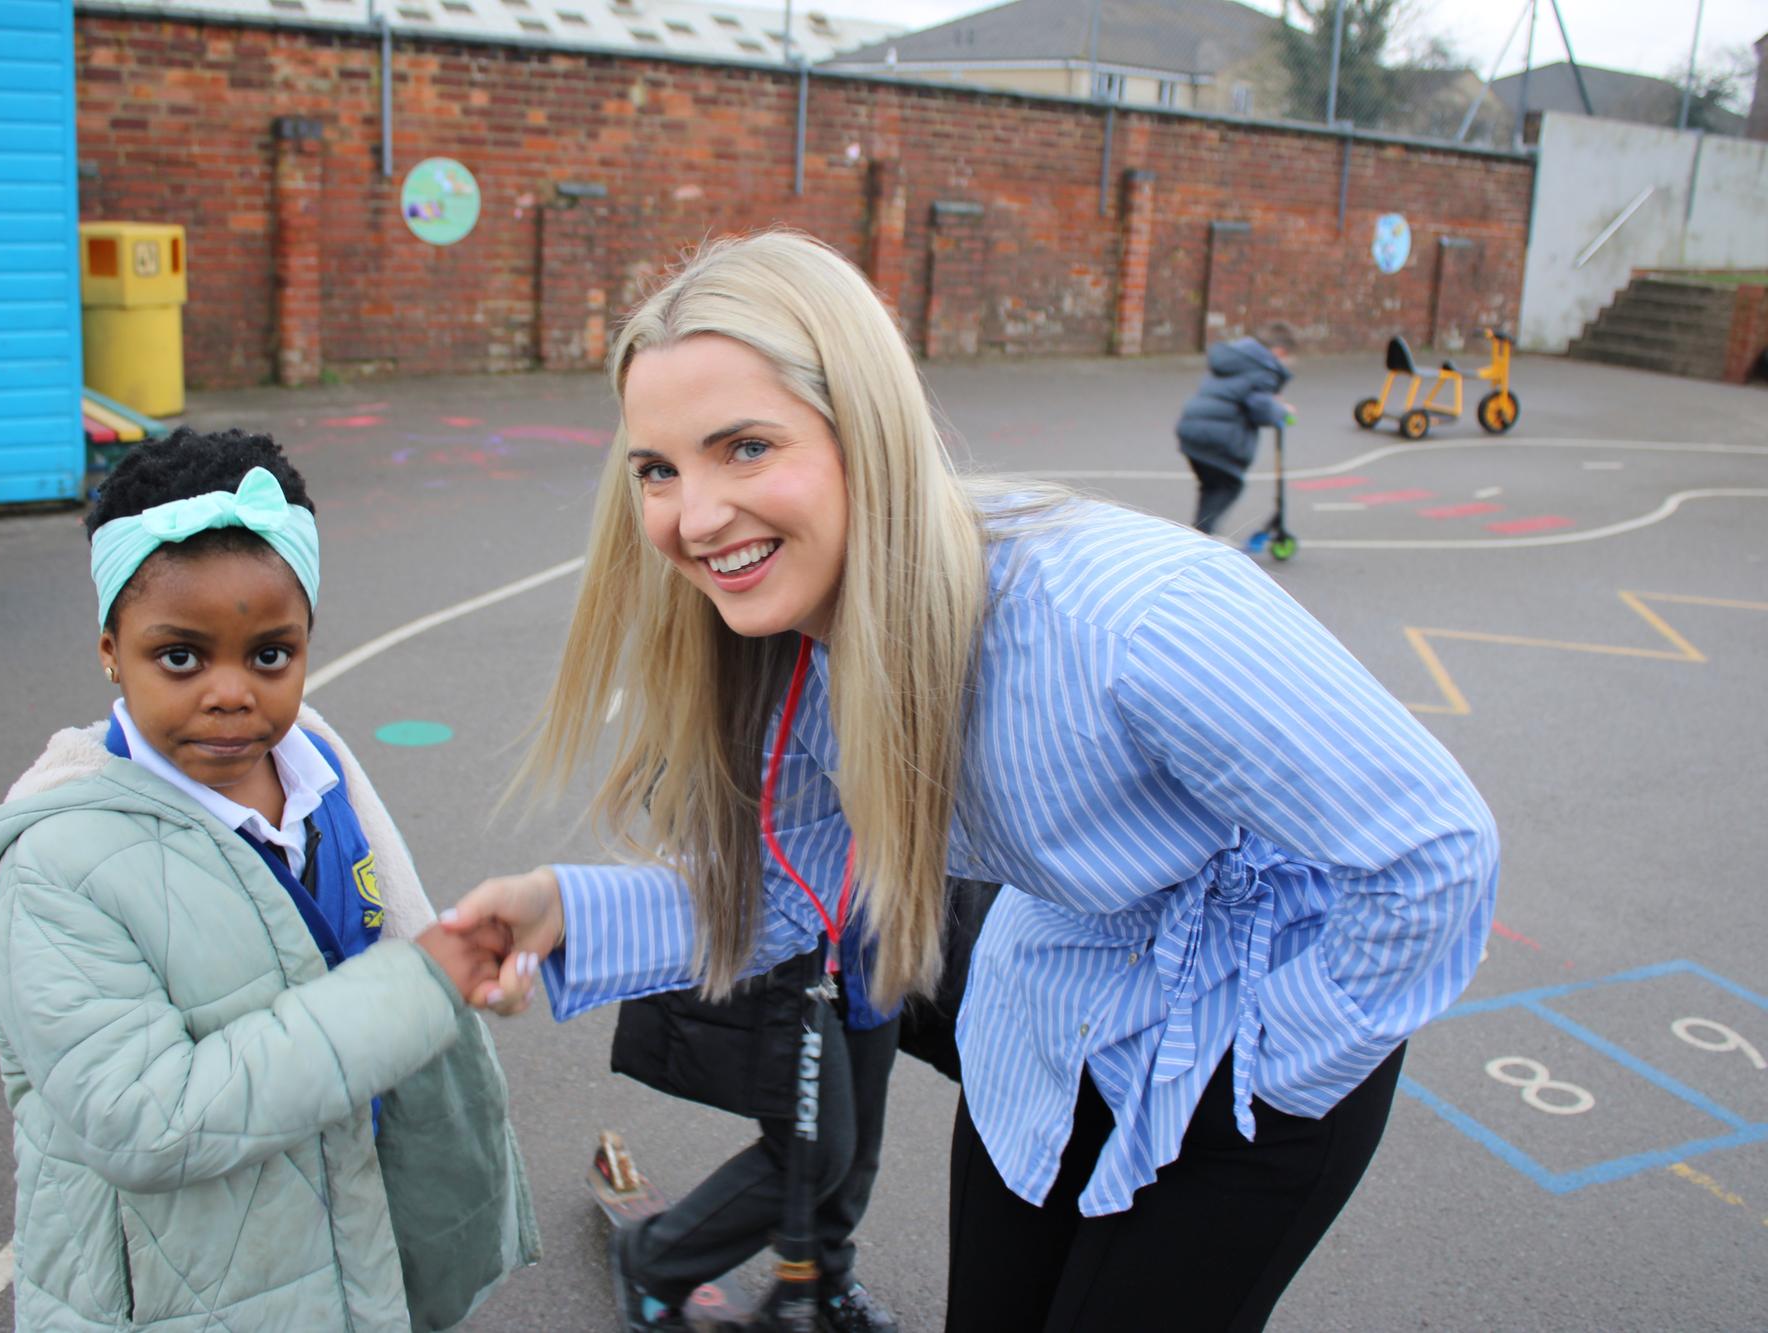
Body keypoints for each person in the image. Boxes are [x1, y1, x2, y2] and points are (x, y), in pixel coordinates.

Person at [442, 232, 1498, 1332]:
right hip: (1049, 1006)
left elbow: (1429, 854)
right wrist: (562, 911)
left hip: (1250, 1044)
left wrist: (1278, 1073)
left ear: (868, 431)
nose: (693, 518)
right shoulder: (794, 651)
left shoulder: (1129, 616)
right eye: (656, 469)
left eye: (744, 447)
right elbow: (784, 892)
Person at [0, 428, 537, 1331]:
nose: (232, 693)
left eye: (270, 654)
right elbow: (148, 1118)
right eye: (180, 656)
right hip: (185, 1288)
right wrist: (424, 987)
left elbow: (388, 929)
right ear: (111, 648)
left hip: (341, 1225)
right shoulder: (53, 868)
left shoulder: (317, 759)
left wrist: (470, 972)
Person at [606, 928, 901, 1332]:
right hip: (787, 944)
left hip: (875, 936)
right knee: (816, 1154)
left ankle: (822, 1273)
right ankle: (653, 1262)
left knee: (862, 1138)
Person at [1176, 323, 1298, 534]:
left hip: (1193, 430)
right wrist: (1282, 411)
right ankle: (1200, 535)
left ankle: (1199, 531)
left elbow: (1243, 394)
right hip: (1219, 435)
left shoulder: (1236, 359)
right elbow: (1261, 408)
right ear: (1279, 352)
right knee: (1228, 485)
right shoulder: (1263, 368)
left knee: (1213, 485)